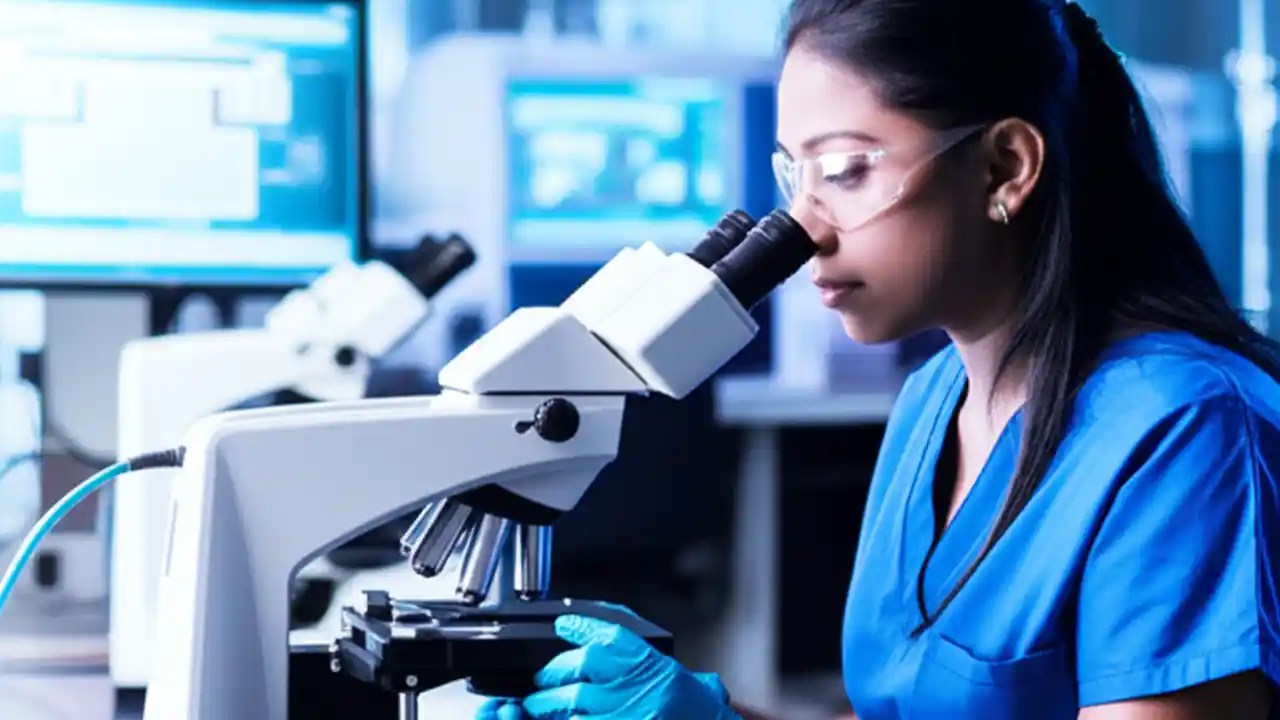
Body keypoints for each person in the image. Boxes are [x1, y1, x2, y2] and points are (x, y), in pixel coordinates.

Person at [479, 0, 1280, 717]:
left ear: (1004, 167)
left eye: (845, 171)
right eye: (795, 176)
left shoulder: (1187, 430)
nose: (807, 229)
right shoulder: (935, 399)